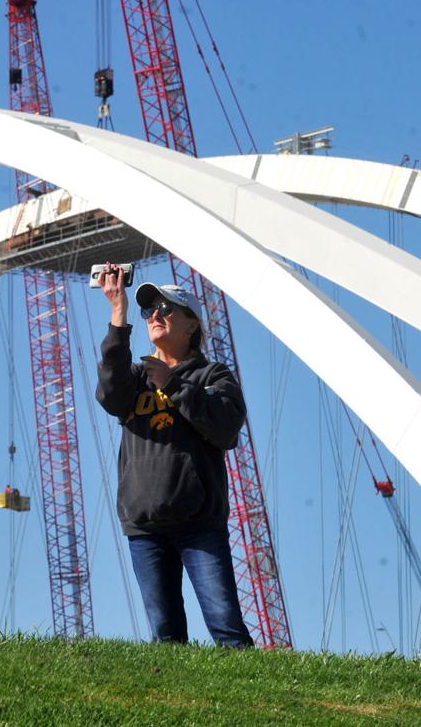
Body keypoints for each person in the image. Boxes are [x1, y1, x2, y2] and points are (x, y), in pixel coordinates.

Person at [95, 264, 253, 648]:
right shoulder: (135, 377)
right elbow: (110, 395)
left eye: (166, 309)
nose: (155, 315)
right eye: (149, 311)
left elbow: (226, 427)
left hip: (197, 523)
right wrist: (119, 314)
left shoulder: (213, 376)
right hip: (144, 526)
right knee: (165, 636)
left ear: (192, 325)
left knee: (226, 626)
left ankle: (255, 696)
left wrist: (174, 385)